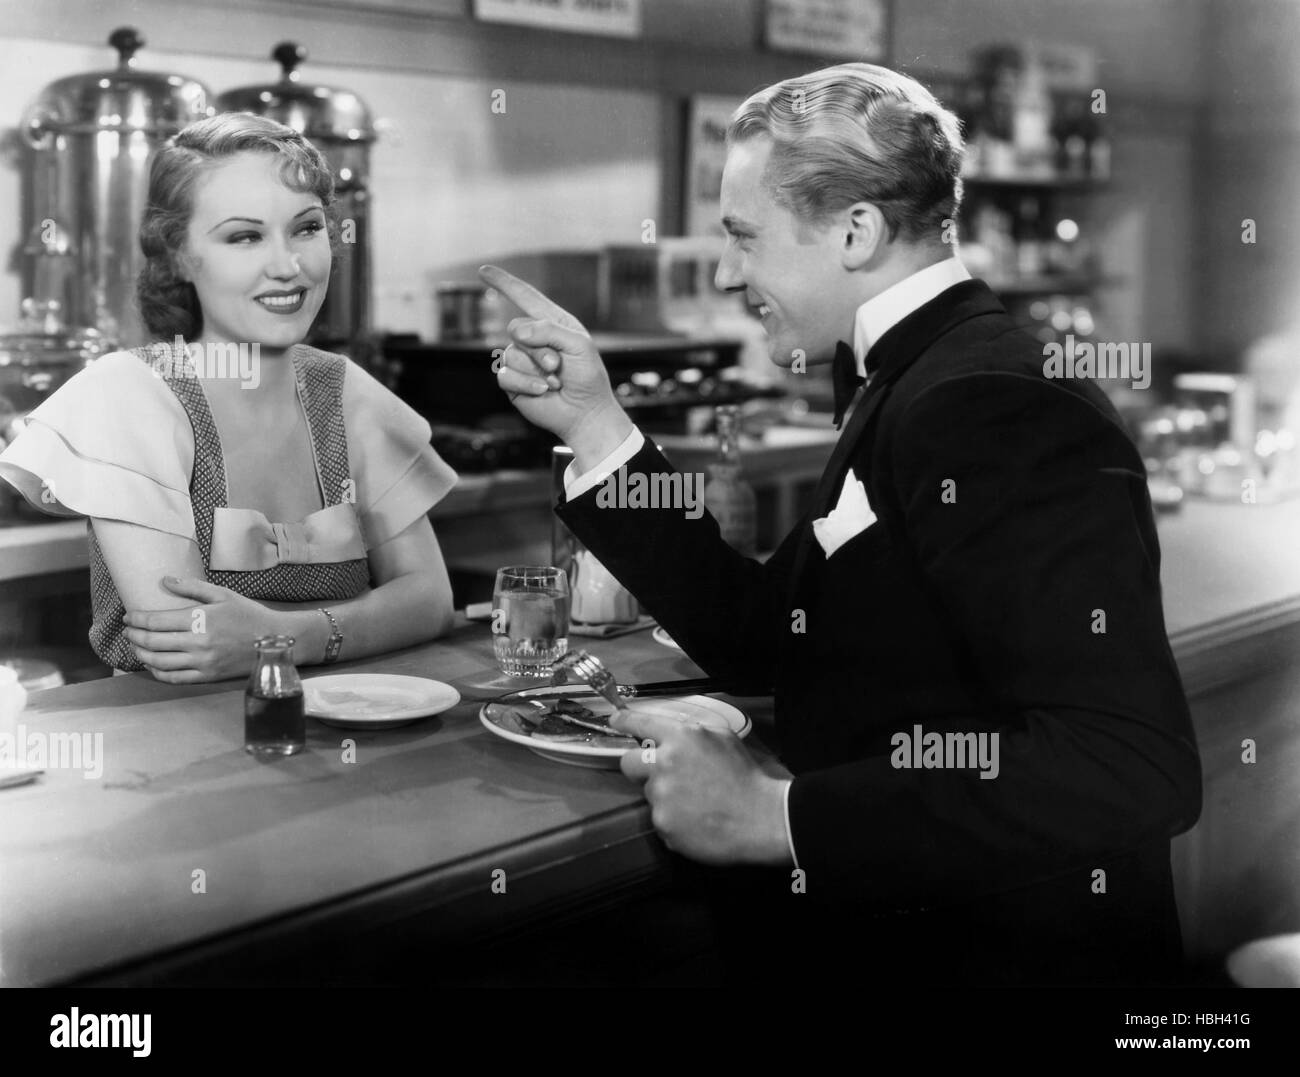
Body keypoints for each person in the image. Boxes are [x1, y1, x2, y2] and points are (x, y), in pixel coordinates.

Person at [480, 62, 1202, 986]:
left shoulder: (989, 400)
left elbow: (1126, 763)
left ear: (856, 231)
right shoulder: (917, 372)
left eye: (743, 236)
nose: (729, 273)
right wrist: (594, 425)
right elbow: (764, 633)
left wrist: (775, 816)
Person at [0, 113, 458, 682]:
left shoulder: (345, 390)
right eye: (244, 236)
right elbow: (188, 642)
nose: (288, 267)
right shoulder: (128, 396)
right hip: (177, 730)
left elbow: (431, 601)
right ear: (177, 255)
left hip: (350, 719)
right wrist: (361, 620)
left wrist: (286, 637)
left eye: (307, 228)